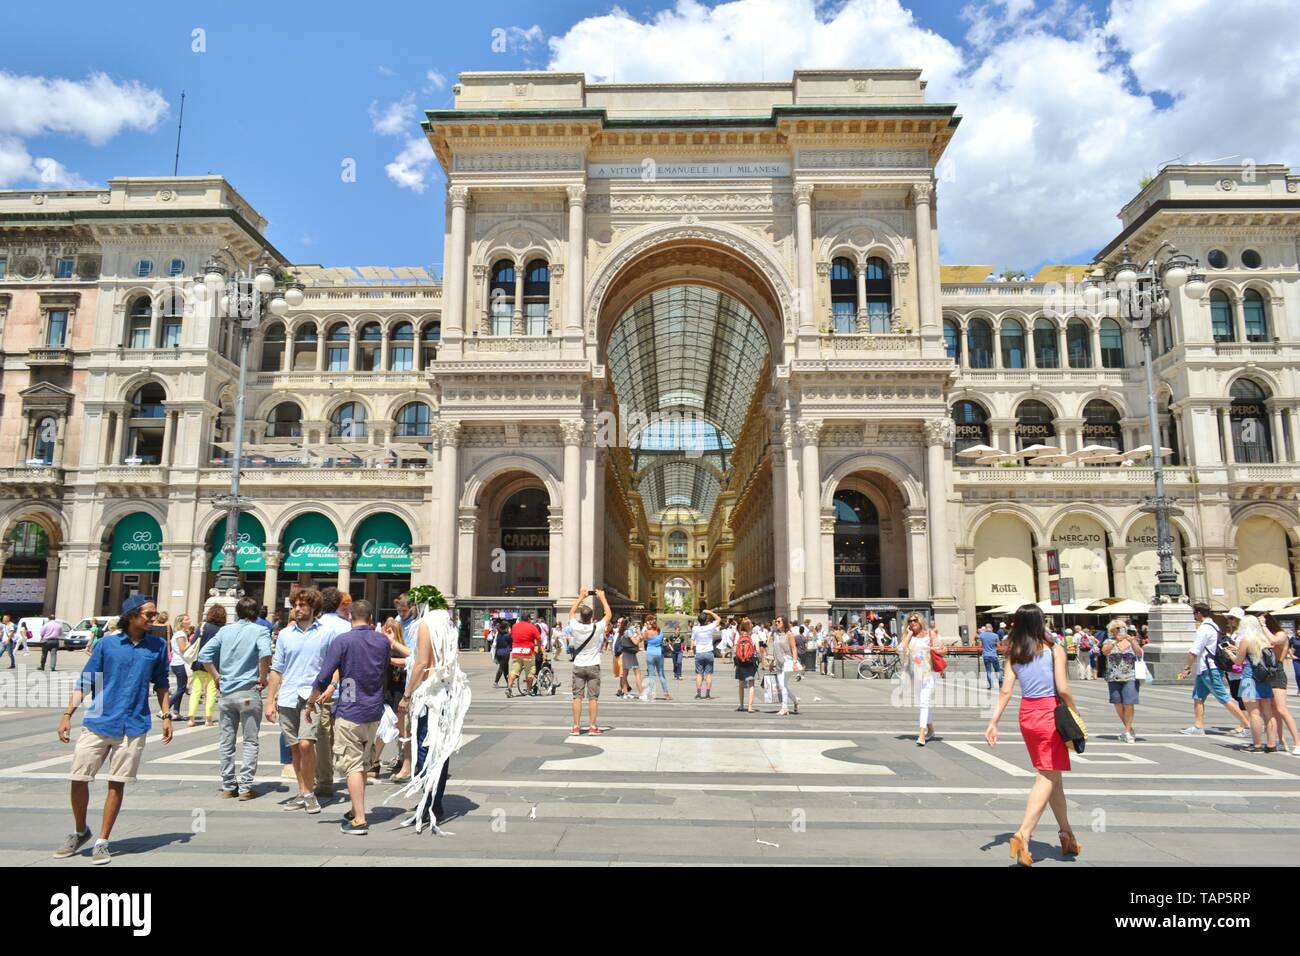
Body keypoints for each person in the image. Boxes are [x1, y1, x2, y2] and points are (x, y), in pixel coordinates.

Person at [54, 596, 171, 865]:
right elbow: (86, 680)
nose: (153, 619)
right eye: (149, 615)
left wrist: (166, 716)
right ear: (132, 615)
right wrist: (67, 715)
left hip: (134, 722)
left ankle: (103, 840)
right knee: (79, 777)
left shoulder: (157, 646)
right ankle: (80, 830)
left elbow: (162, 682)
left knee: (117, 782)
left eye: (154, 615)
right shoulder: (107, 644)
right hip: (99, 719)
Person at [984, 604, 1080, 866]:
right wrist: (1075, 712)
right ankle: (1023, 834)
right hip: (1050, 712)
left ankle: (1066, 833)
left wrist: (994, 722)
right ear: (1040, 623)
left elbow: (1005, 692)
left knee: (1053, 776)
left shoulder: (1014, 653)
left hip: (1027, 715)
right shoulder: (1054, 650)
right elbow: (1063, 687)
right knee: (1046, 774)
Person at [304, 600, 388, 834]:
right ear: (371, 618)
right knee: (361, 763)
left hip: (350, 710)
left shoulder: (343, 640)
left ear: (350, 616)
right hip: (373, 711)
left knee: (351, 765)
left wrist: (311, 701)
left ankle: (359, 818)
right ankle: (355, 808)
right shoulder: (381, 641)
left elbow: (324, 674)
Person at [199, 596, 272, 800]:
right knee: (250, 741)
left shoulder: (225, 631)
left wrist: (216, 676)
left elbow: (203, 655)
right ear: (256, 613)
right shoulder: (260, 630)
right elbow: (266, 654)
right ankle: (246, 786)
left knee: (226, 740)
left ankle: (228, 785)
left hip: (227, 692)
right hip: (248, 691)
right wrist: (263, 677)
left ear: (237, 613)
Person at [265, 587, 329, 815]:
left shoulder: (326, 633)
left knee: (306, 743)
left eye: (303, 605)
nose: (298, 609)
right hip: (289, 696)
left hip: (312, 696)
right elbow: (276, 669)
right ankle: (303, 792)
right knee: (294, 748)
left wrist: (330, 688)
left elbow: (336, 665)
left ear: (313, 607)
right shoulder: (284, 635)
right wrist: (270, 701)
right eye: (296, 605)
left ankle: (310, 793)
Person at [1179, 602, 1250, 737]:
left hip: (1210, 668)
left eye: (1194, 613)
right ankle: (1198, 726)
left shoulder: (1204, 628)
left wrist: (1187, 667)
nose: (1194, 616)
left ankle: (1247, 724)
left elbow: (1194, 650)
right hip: (1205, 668)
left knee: (1223, 696)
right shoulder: (1214, 626)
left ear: (1199, 613)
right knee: (1198, 696)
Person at [314, 587, 353, 797]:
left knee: (322, 736)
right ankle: (351, 772)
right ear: (340, 604)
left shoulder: (316, 625)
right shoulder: (346, 627)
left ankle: (324, 781)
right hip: (347, 688)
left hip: (320, 688)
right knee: (346, 733)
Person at [1230, 615, 1279, 753]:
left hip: (1249, 678)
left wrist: (1230, 654)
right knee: (1268, 713)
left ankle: (1257, 745)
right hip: (1264, 678)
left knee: (1254, 714)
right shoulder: (1265, 640)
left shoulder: (1246, 640)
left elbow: (1238, 661)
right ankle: (1271, 744)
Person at [564, 588, 610, 734]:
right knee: (593, 698)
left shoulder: (575, 626)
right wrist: (602, 597)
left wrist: (581, 597)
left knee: (577, 697)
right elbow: (608, 614)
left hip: (578, 665)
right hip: (593, 665)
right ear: (591, 617)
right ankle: (592, 726)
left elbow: (571, 613)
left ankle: (576, 727)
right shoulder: (596, 627)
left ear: (581, 617)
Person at [899, 613, 943, 746]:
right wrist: (908, 635)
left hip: (929, 673)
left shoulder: (930, 634)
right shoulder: (909, 637)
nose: (912, 623)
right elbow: (900, 649)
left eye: (915, 620)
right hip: (915, 674)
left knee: (924, 702)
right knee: (924, 702)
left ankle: (922, 734)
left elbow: (943, 649)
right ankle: (931, 730)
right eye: (910, 621)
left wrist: (934, 649)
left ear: (920, 621)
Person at [1260, 614, 1299, 754]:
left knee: (1282, 709)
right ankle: (1281, 741)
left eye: (1262, 621)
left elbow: (1274, 640)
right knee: (1274, 710)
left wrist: (1263, 625)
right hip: (1267, 673)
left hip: (1278, 672)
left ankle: (1297, 743)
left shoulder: (1281, 634)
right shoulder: (1264, 635)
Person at [1101, 618, 1143, 742]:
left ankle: (1127, 731)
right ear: (1112, 630)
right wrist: (1115, 642)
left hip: (1130, 676)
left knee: (1129, 703)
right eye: (1117, 628)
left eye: (1122, 628)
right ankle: (1128, 729)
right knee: (1118, 703)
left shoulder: (1131, 640)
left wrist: (1132, 642)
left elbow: (1140, 653)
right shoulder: (1109, 641)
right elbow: (1104, 652)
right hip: (1113, 676)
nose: (1120, 631)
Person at [187, 604, 225, 727]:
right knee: (211, 691)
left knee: (196, 690)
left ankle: (191, 719)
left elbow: (193, 642)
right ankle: (208, 719)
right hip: (214, 663)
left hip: (199, 661)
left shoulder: (203, 626)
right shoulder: (222, 630)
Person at [506, 612, 541, 697]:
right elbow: (538, 638)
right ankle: (529, 690)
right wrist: (539, 647)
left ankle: (509, 688)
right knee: (530, 671)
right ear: (529, 618)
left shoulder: (515, 626)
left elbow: (512, 636)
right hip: (527, 651)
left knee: (514, 670)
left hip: (516, 651)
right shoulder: (532, 627)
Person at [770, 617, 801, 715]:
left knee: (783, 685)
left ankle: (784, 708)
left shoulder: (789, 634)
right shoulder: (775, 634)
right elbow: (774, 649)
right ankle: (795, 699)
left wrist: (795, 662)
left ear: (784, 623)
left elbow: (794, 648)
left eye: (779, 621)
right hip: (778, 662)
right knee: (782, 685)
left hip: (787, 661)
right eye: (776, 621)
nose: (777, 623)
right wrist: (771, 663)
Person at [692, 608, 721, 700]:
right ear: (706, 620)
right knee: (708, 674)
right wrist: (710, 612)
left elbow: (693, 640)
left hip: (699, 653)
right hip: (709, 653)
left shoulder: (695, 628)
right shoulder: (710, 627)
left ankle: (699, 694)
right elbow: (719, 619)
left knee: (699, 674)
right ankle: (708, 694)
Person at [642, 614, 671, 701]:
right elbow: (662, 640)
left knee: (651, 675)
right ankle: (666, 694)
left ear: (648, 623)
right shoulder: (659, 631)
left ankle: (651, 694)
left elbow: (643, 638)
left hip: (650, 654)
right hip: (659, 653)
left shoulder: (647, 633)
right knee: (661, 674)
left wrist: (644, 628)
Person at [732, 617, 759, 712]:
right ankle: (750, 707)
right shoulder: (754, 636)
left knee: (741, 684)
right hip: (750, 663)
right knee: (751, 685)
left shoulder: (738, 637)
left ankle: (741, 705)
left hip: (740, 663)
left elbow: (735, 650)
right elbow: (757, 651)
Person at [166, 620, 190, 719]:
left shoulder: (179, 633)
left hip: (178, 662)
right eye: (186, 619)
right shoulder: (180, 634)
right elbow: (182, 649)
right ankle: (165, 709)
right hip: (180, 663)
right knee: (181, 688)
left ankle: (176, 712)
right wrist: (193, 642)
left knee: (180, 687)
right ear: (181, 622)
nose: (189, 621)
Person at [620, 616, 646, 700]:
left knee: (625, 673)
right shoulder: (629, 631)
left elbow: (640, 639)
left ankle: (625, 693)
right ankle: (641, 693)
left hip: (625, 653)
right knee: (637, 673)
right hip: (630, 654)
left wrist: (638, 634)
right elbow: (636, 642)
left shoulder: (624, 631)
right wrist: (638, 633)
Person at [979, 622, 1003, 692]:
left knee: (988, 671)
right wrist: (994, 644)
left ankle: (990, 685)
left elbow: (980, 645)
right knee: (998, 670)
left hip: (986, 655)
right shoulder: (995, 635)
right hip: (994, 655)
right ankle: (1000, 684)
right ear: (991, 628)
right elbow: (998, 646)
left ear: (986, 628)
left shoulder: (982, 635)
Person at [490, 618, 511, 688]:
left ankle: (508, 682)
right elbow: (511, 643)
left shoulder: (498, 634)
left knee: (505, 668)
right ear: (506, 627)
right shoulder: (507, 635)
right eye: (508, 626)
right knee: (502, 668)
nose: (508, 628)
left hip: (498, 652)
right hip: (505, 653)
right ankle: (496, 682)